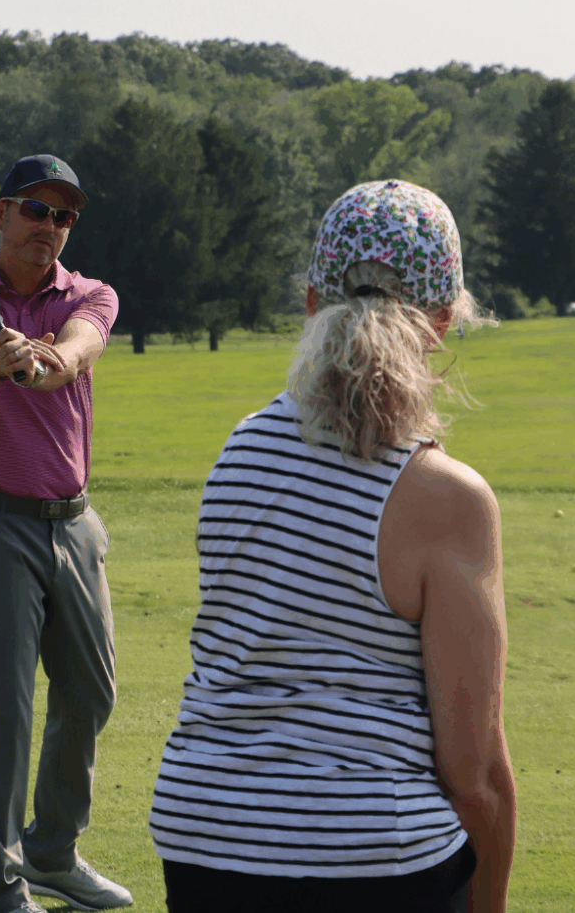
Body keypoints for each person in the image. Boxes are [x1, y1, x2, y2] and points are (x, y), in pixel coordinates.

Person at [150, 180, 517, 913]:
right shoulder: (449, 498)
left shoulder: (240, 449)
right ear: (443, 319)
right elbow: (473, 775)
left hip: (201, 837)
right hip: (373, 857)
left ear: (313, 301)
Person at [0, 154, 133, 913]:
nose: (51, 228)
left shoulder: (90, 293)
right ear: (1, 214)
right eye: (37, 212)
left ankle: (51, 850)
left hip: (74, 524)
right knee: (0, 712)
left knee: (92, 692)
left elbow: (79, 350)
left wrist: (39, 365)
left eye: (64, 216)